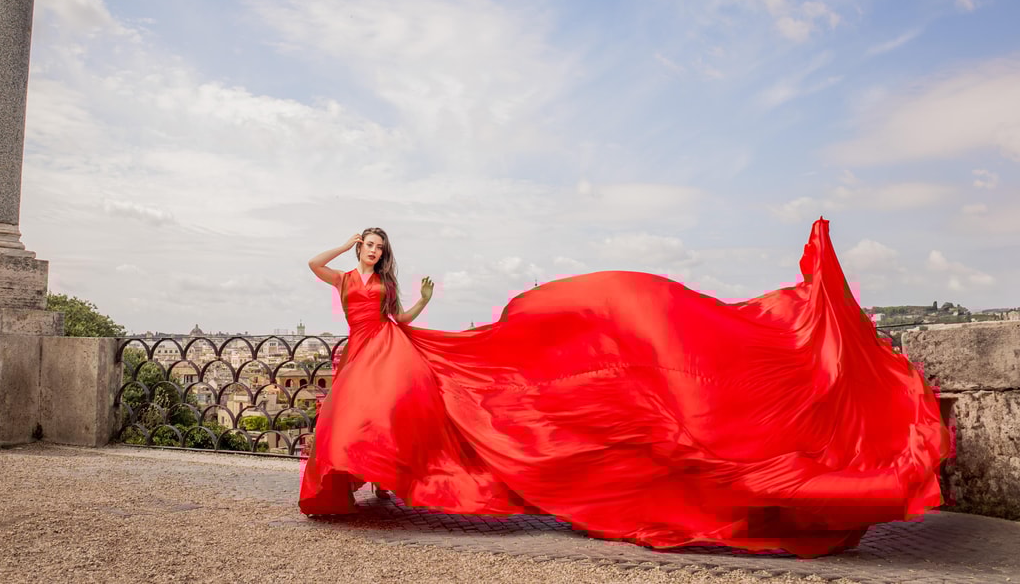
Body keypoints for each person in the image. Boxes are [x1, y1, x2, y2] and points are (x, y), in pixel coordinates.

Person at [300, 219, 949, 558]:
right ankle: (371, 478)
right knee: (365, 413)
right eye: (370, 244)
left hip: (386, 341)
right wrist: (345, 241)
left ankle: (380, 477)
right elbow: (315, 265)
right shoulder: (346, 274)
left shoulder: (383, 284)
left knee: (380, 412)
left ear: (387, 255)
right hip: (362, 349)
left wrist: (418, 304)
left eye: (380, 245)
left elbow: (395, 320)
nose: (375, 251)